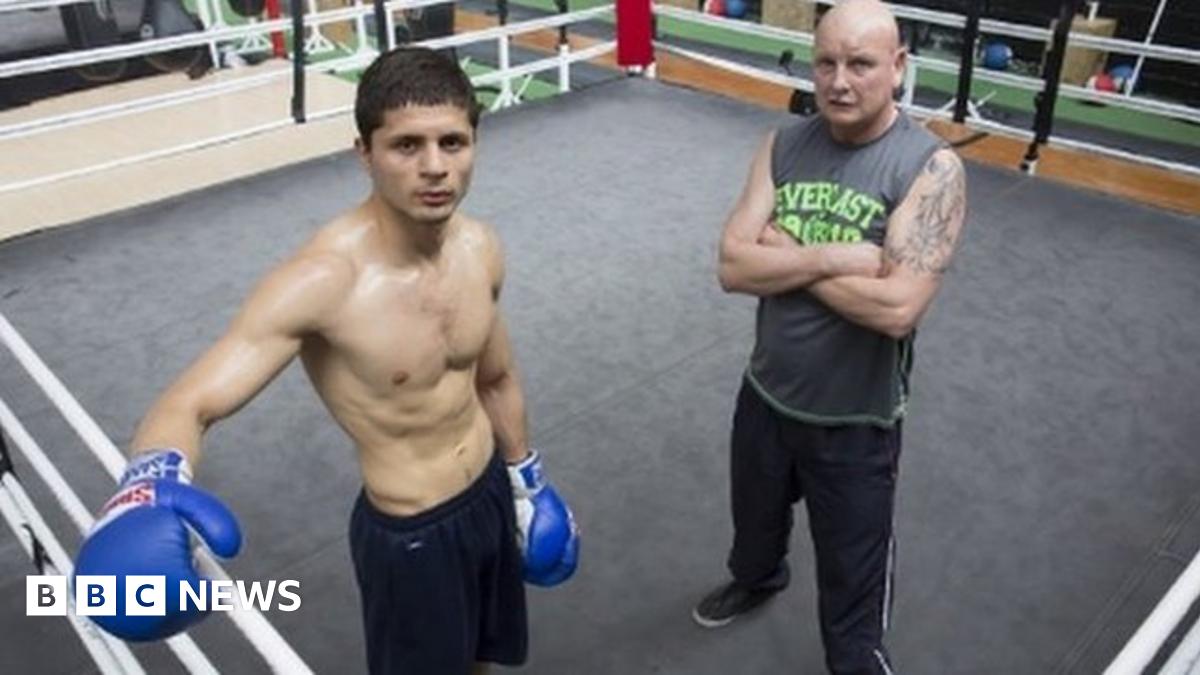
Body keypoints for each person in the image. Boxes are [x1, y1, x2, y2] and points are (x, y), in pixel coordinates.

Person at [73, 47, 579, 675]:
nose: (434, 168)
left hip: (489, 499)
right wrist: (144, 489)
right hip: (412, 533)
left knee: (484, 660)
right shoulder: (323, 281)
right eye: (406, 146)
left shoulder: (480, 247)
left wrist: (525, 477)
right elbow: (191, 403)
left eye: (453, 143)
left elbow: (495, 376)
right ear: (364, 153)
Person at [693, 2, 966, 674]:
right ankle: (759, 576)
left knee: (853, 577)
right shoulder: (782, 145)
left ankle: (856, 657)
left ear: (897, 67)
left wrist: (786, 251)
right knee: (754, 527)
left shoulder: (929, 170)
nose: (840, 81)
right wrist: (835, 257)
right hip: (765, 392)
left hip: (856, 419)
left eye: (861, 64)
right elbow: (732, 265)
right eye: (827, 62)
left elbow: (898, 306)